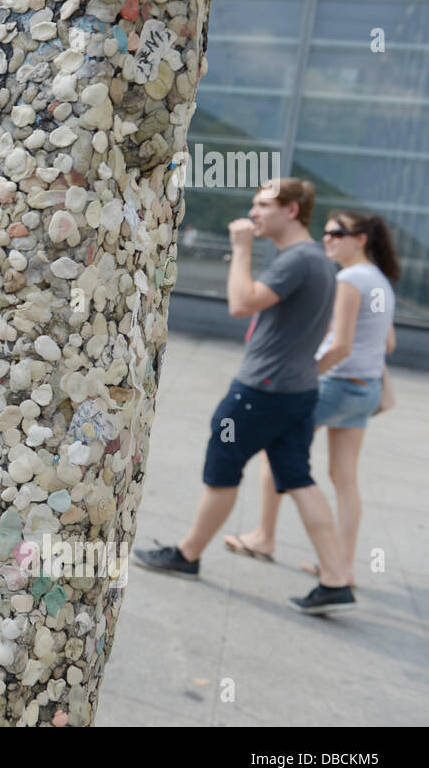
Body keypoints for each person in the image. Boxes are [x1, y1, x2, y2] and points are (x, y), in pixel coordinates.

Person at [134, 178, 356, 614]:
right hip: (296, 391)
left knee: (223, 464)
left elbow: (241, 303)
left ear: (292, 211)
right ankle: (335, 580)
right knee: (297, 477)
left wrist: (239, 248)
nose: (253, 212)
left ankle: (188, 554)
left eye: (262, 204)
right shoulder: (318, 261)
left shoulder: (297, 260)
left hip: (259, 392)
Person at [224, 210, 399, 586]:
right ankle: (344, 566)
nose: (328, 238)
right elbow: (388, 342)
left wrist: (306, 375)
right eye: (327, 232)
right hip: (365, 388)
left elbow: (342, 345)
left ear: (361, 239)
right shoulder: (380, 281)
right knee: (344, 477)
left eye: (338, 232)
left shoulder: (350, 279)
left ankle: (264, 536)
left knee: (277, 455)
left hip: (335, 383)